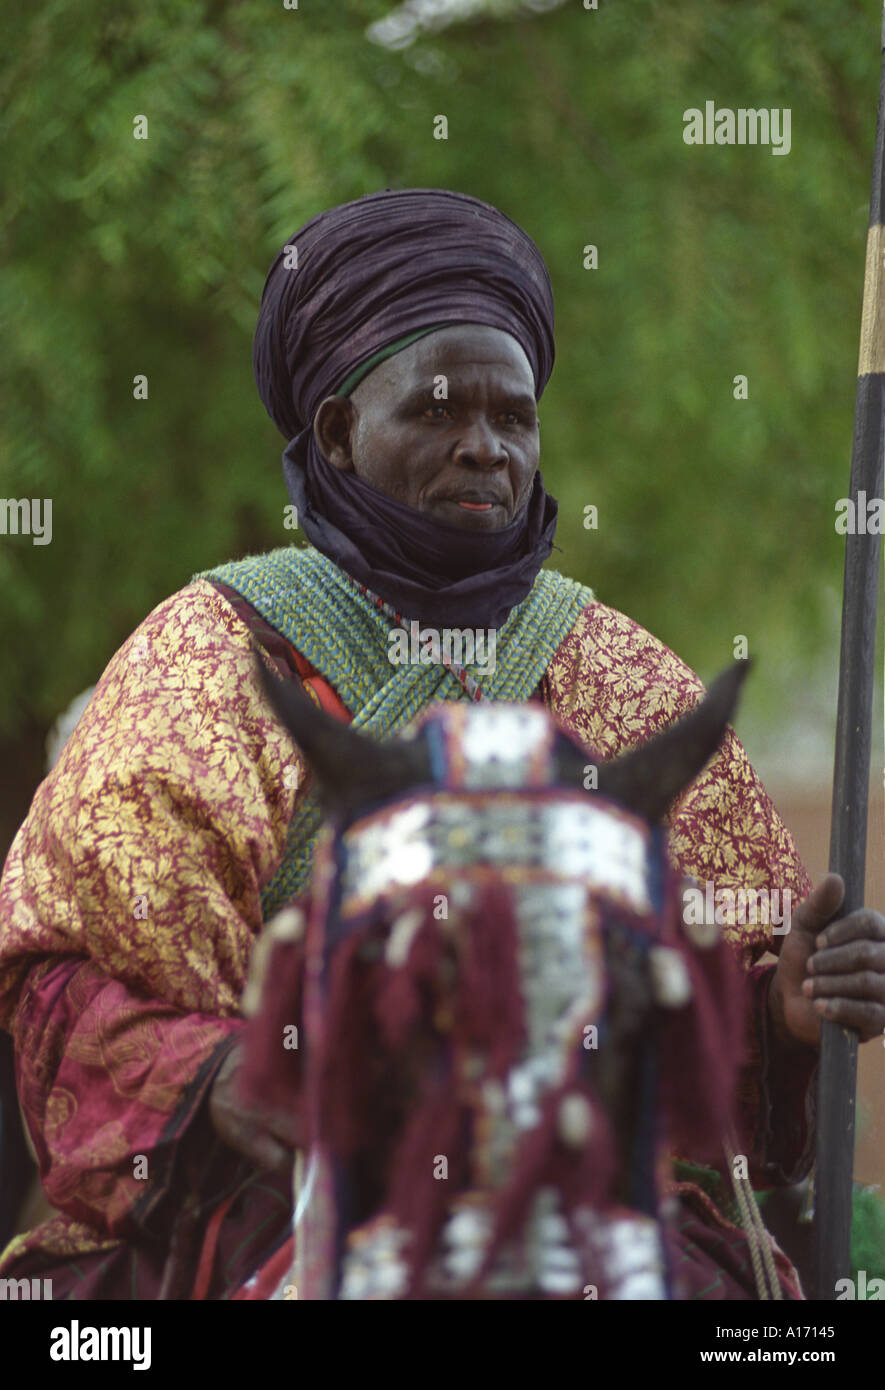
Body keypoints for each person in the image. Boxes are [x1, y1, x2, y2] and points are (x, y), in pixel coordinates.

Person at [0, 188, 882, 1300]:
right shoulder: (208, 657)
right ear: (335, 433)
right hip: (280, 1175)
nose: (485, 447)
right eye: (438, 411)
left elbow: (705, 1054)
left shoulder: (622, 674)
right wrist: (223, 1078)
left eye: (514, 418)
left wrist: (788, 1012)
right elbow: (63, 979)